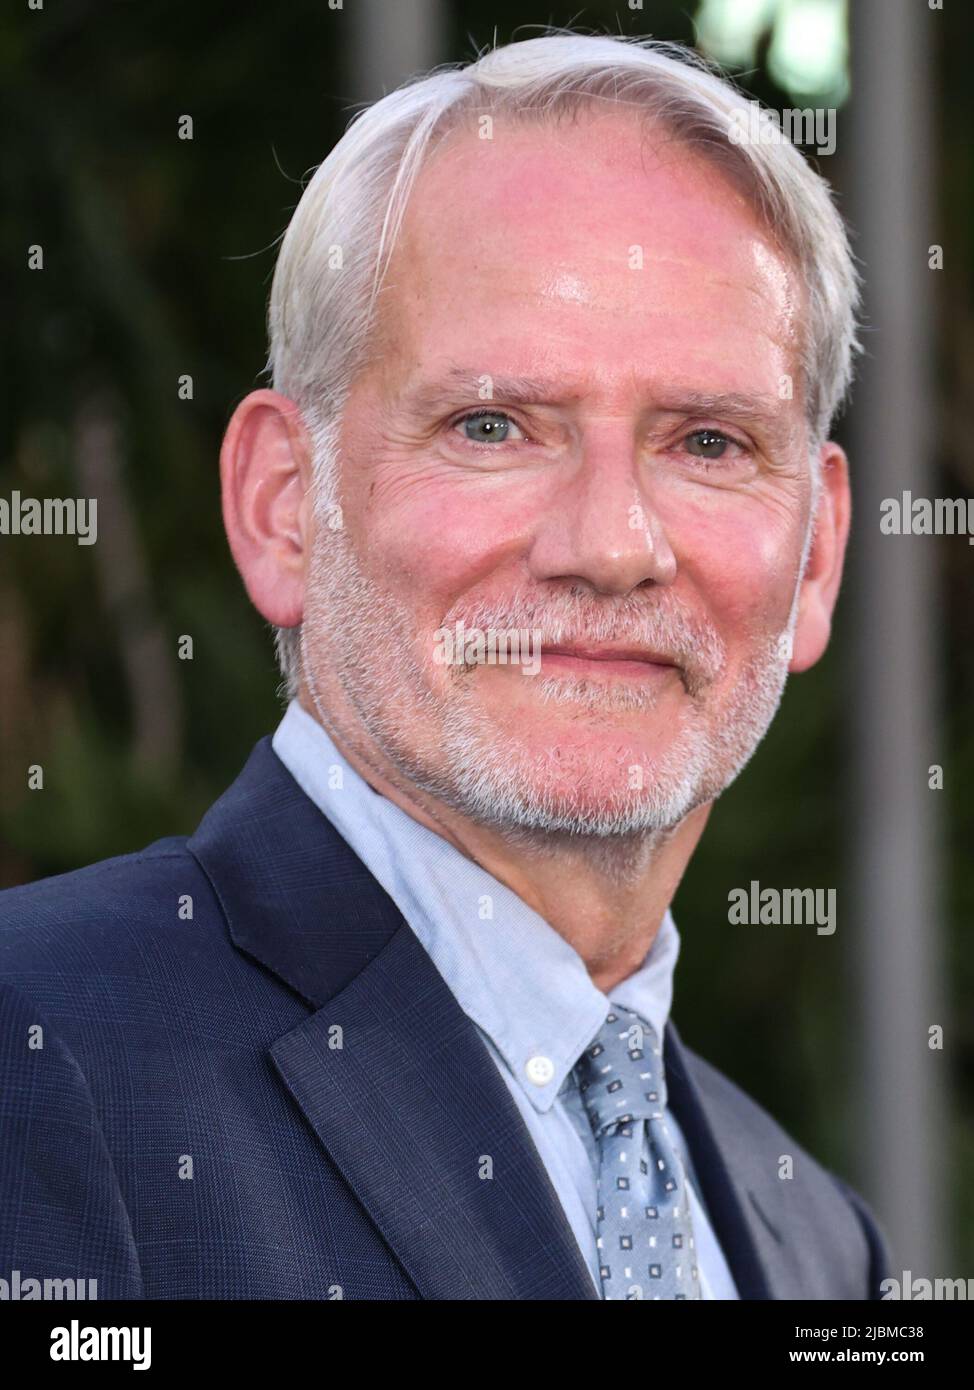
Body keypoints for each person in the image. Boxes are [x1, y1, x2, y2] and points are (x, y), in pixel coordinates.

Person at [0, 32, 890, 1300]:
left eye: (706, 441)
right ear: (282, 507)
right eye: (491, 426)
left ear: (812, 560)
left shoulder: (815, 1247)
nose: (610, 546)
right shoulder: (36, 1058)